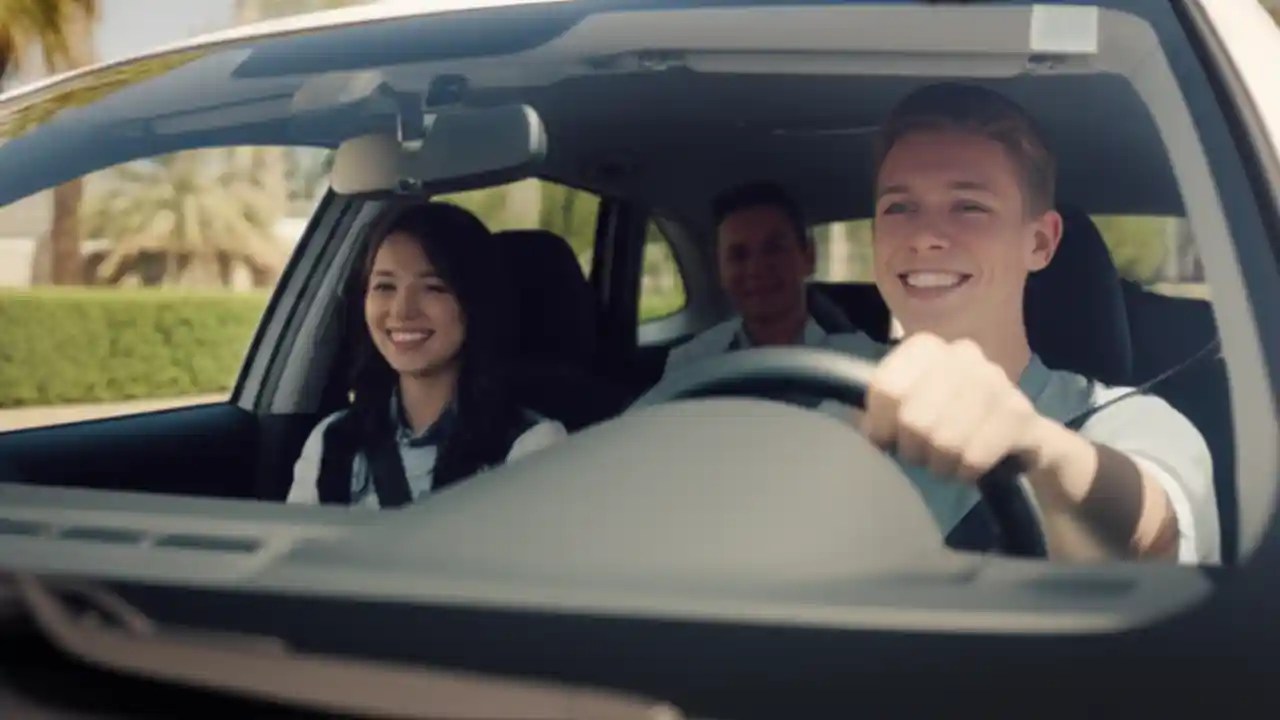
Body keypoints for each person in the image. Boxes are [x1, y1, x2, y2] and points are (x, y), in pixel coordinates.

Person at [843, 82, 1218, 564]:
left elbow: (1154, 530)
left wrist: (1035, 447)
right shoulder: (820, 412)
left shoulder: (1132, 423)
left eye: (969, 207)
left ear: (1040, 243)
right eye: (899, 207)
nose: (925, 236)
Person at [287, 201, 567, 508]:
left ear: (475, 302)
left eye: (433, 287)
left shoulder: (530, 447)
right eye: (384, 286)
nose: (402, 310)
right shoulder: (331, 441)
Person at [661, 181, 866, 375]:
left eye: (774, 248)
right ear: (720, 271)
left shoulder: (864, 363)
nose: (756, 268)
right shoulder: (690, 365)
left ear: (809, 257)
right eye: (739, 255)